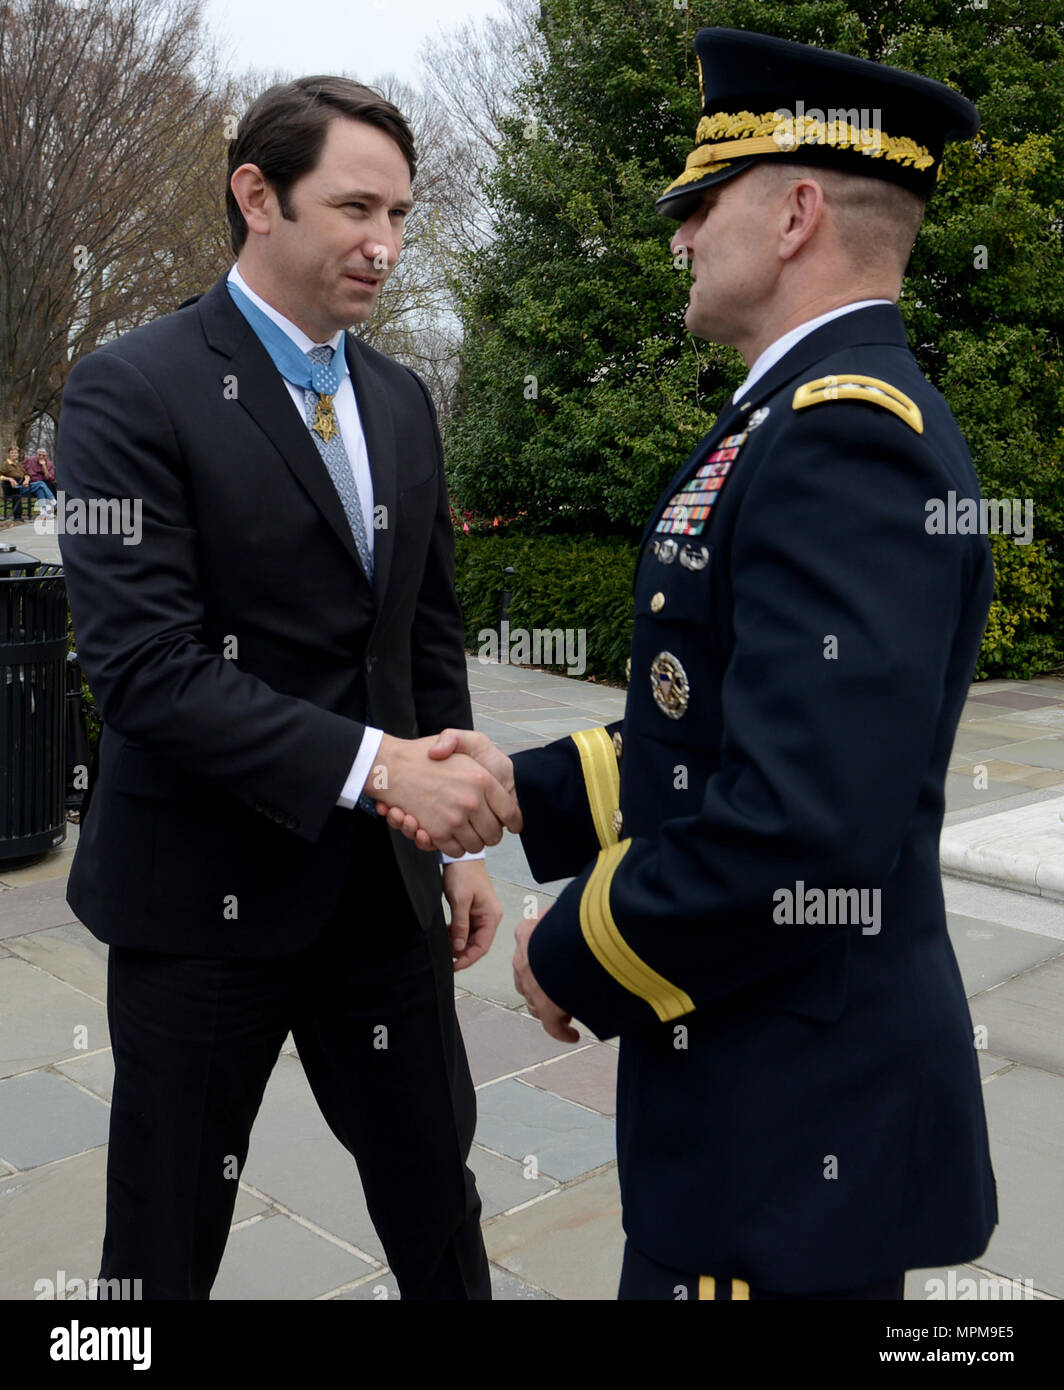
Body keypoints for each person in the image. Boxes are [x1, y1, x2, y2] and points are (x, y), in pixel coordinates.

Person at [391, 28, 998, 1301]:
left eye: (698, 201)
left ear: (792, 212)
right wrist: (529, 785)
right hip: (756, 1096)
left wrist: (578, 950)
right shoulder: (791, 416)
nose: (678, 234)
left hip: (792, 1123)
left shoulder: (846, 440)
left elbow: (798, 823)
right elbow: (715, 730)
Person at [56, 76, 521, 1300]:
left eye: (403, 213)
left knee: (439, 1211)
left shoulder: (402, 398)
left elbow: (421, 636)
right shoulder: (129, 387)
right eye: (355, 206)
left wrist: (453, 832)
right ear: (254, 195)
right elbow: (144, 671)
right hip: (200, 903)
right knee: (158, 1251)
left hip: (383, 898)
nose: (386, 242)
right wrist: (382, 771)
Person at [1, 444, 55, 517]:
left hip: (21, 486)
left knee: (40, 489)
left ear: (18, 454)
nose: (14, 454)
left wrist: (26, 479)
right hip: (13, 488)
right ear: (9, 454)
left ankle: (44, 511)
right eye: (12, 453)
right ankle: (53, 500)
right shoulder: (6, 464)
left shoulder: (18, 464)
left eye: (15, 453)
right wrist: (9, 479)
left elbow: (26, 474)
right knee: (41, 484)